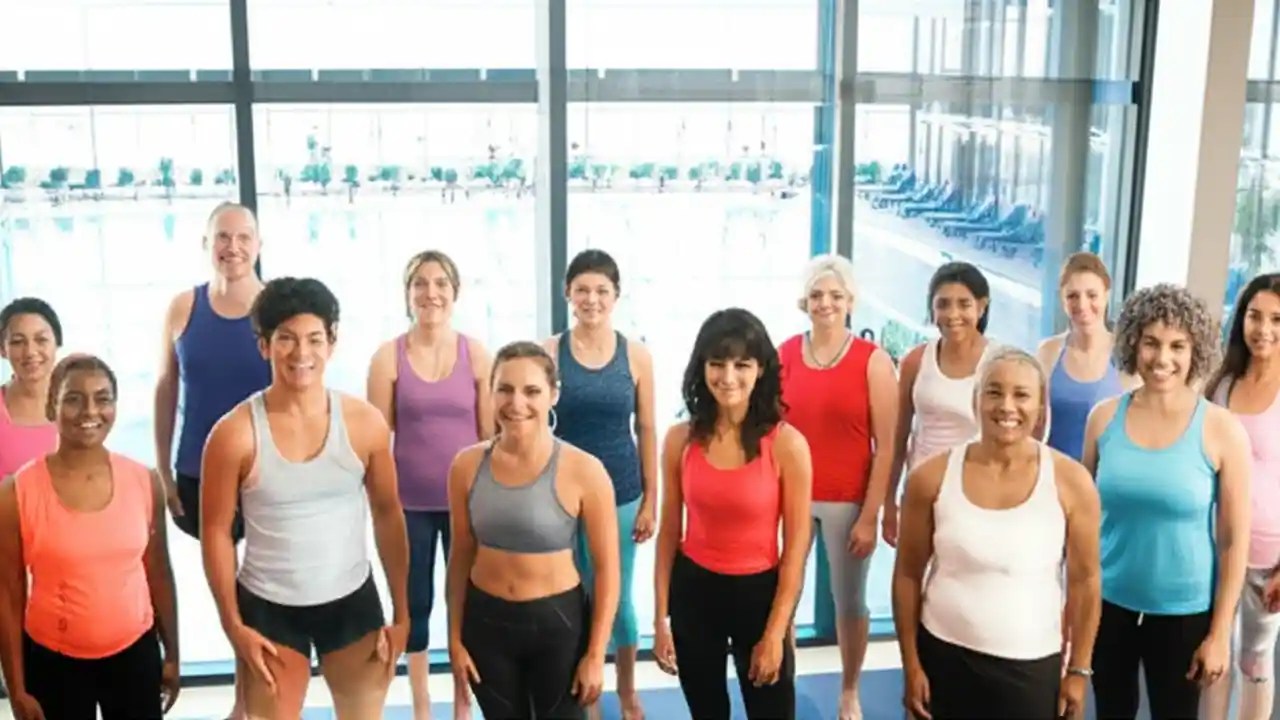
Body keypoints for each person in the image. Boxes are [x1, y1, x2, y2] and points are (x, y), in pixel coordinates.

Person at [200, 277, 410, 719]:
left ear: (332, 342)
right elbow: (216, 532)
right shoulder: (233, 434)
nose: (301, 354)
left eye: (315, 339)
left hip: (351, 600)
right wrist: (232, 625)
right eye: (286, 340)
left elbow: (388, 513)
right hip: (268, 607)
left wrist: (404, 612)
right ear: (264, 345)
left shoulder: (364, 423)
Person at [892, 347, 1100, 719]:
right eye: (993, 392)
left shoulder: (1072, 482)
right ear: (976, 401)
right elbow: (907, 575)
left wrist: (1078, 671)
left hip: (1031, 667)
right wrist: (911, 664)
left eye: (1021, 395)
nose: (1007, 406)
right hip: (944, 656)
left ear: (1040, 409)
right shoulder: (930, 477)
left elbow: (1085, 582)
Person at [1082, 283, 1251, 719]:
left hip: (1184, 614)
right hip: (1109, 606)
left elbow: (1233, 541)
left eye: (1178, 346)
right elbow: (1082, 524)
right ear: (1133, 343)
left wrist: (1219, 634)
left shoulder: (1221, 428)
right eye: (1151, 343)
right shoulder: (1102, 418)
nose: (1163, 358)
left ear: (1196, 352)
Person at [446, 341, 620, 720]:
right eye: (505, 389)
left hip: (559, 626)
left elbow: (608, 571)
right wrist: (454, 638)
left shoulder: (585, 471)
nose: (516, 403)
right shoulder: (465, 466)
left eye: (532, 391)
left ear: (553, 395)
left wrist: (595, 654)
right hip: (487, 626)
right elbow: (460, 555)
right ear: (490, 393)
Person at [652, 308, 813, 720]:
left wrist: (776, 632)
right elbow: (669, 531)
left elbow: (796, 548)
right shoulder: (679, 440)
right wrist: (660, 619)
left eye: (741, 364)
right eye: (717, 363)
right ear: (701, 368)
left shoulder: (787, 446)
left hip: (758, 597)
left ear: (760, 370)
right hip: (694, 593)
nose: (728, 376)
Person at [0, 355, 180, 719]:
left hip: (135, 653)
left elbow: (159, 571)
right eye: (73, 398)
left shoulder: (145, 481)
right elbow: (8, 592)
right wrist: (16, 687)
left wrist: (173, 654)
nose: (90, 410)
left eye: (103, 398)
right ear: (52, 405)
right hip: (53, 660)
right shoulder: (15, 493)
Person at [367, 250, 493, 719]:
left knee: (466, 605)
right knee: (414, 605)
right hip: (410, 506)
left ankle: (462, 701)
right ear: (407, 294)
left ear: (454, 293)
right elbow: (377, 443)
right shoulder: (388, 357)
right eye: (420, 283)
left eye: (440, 283)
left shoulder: (476, 354)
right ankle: (422, 704)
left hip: (467, 504)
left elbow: (489, 439)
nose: (430, 292)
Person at [778, 255, 898, 720]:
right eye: (816, 296)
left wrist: (870, 516)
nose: (825, 304)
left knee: (848, 600)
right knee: (783, 596)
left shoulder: (873, 362)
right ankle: (781, 679)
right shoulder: (785, 353)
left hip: (848, 499)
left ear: (850, 302)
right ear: (804, 302)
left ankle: (849, 689)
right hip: (791, 498)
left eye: (835, 296)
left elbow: (885, 447)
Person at [544, 249, 657, 720]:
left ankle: (627, 691)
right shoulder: (549, 352)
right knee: (574, 598)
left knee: (621, 600)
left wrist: (653, 499)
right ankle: (584, 691)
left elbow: (647, 428)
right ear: (568, 293)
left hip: (623, 494)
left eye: (602, 291)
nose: (592, 299)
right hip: (563, 497)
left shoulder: (636, 355)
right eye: (583, 289)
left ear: (616, 296)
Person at [155, 201, 270, 540]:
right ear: (206, 244)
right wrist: (163, 469)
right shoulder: (183, 307)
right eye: (222, 237)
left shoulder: (278, 309)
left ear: (258, 244)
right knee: (217, 580)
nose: (232, 247)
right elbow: (165, 388)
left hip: (265, 474)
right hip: (197, 468)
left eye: (243, 237)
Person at [1203, 272, 1280, 720]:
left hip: (1267, 557)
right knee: (1214, 659)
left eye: (1276, 318)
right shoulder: (1222, 384)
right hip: (1213, 548)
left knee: (1254, 661)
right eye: (1254, 315)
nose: (1263, 328)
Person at [884, 261, 994, 547]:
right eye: (943, 304)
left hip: (978, 493)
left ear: (981, 307)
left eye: (964, 304)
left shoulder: (999, 362)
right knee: (916, 579)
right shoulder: (915, 361)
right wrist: (889, 502)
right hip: (922, 491)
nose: (953, 314)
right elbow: (898, 439)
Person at [1035, 252, 1133, 460]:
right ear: (1063, 300)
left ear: (1106, 295)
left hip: (1104, 481)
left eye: (1092, 295)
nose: (1082, 305)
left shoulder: (1126, 355)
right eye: (1072, 296)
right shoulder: (1048, 352)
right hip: (1055, 477)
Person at [0, 298, 61, 478]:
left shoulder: (81, 406)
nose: (30, 352)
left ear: (57, 342)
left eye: (41, 340)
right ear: (3, 349)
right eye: (18, 342)